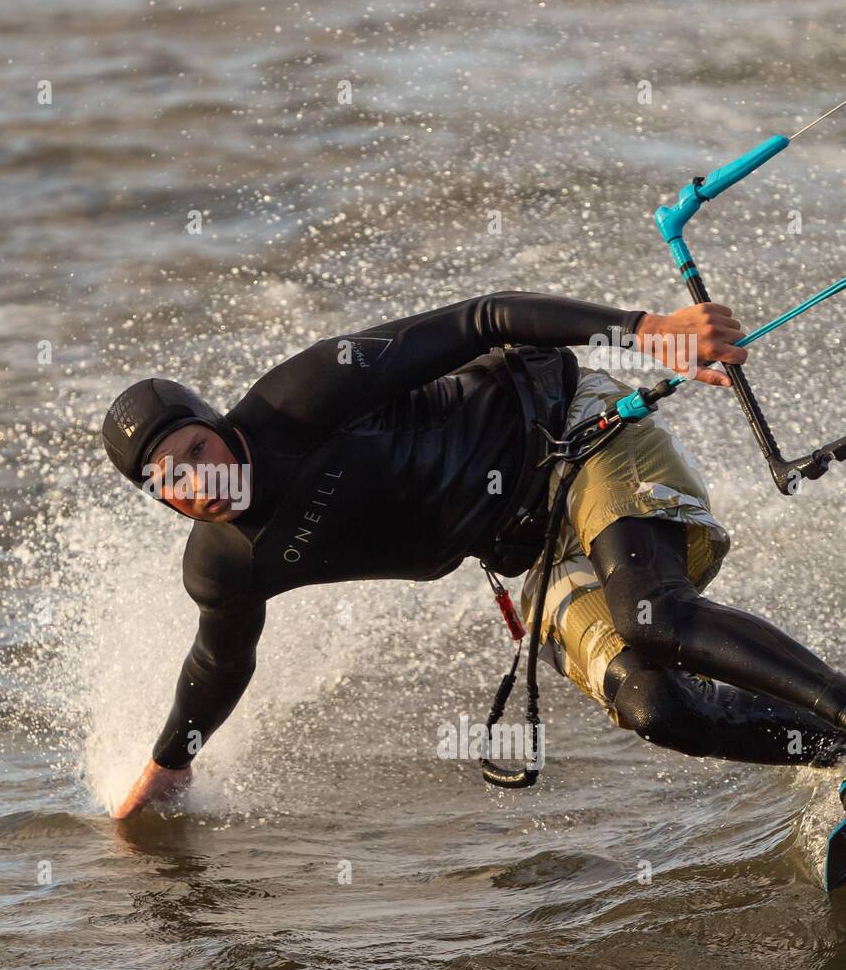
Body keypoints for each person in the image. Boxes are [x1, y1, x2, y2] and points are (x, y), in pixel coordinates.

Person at [100, 292, 846, 818]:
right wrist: (171, 762)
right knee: (656, 704)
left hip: (577, 434)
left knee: (653, 618)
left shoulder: (302, 397)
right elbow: (218, 665)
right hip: (532, 544)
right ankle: (834, 753)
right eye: (170, 480)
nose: (197, 482)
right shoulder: (224, 564)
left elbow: (481, 317)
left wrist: (647, 329)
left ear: (212, 422)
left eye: (194, 450)